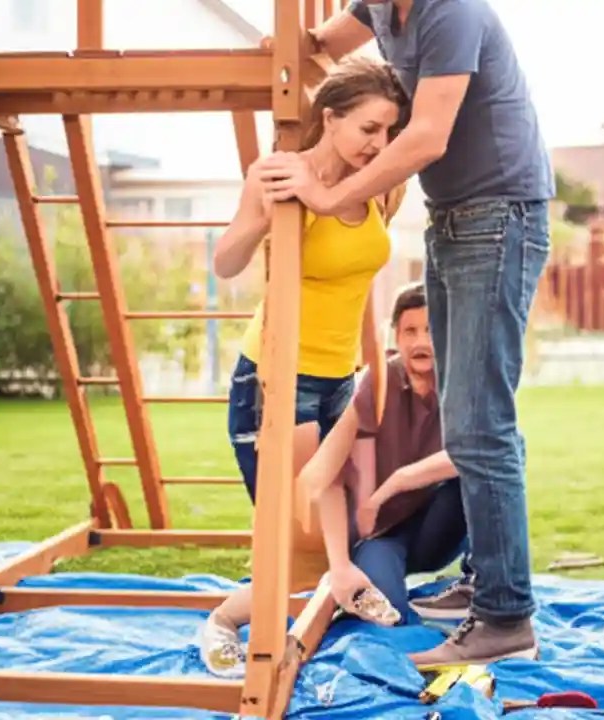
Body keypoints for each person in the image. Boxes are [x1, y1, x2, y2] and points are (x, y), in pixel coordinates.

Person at [258, 0, 555, 667]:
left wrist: (332, 197)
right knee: (464, 417)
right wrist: (276, 54)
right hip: (453, 218)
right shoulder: (378, 13)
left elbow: (425, 138)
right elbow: (317, 48)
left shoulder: (452, 13)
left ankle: (505, 618)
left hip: (498, 214)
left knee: (481, 424)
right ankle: (486, 580)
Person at [199, 57, 409, 672]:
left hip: (340, 380)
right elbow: (227, 262)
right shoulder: (277, 176)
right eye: (370, 128)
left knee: (330, 546)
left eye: (389, 131)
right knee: (293, 540)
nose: (381, 144)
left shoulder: (381, 183)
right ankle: (222, 624)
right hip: (275, 378)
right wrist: (264, 217)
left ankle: (295, 613)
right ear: (330, 116)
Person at [301, 282, 470, 625]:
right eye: (410, 331)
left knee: (480, 472)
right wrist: (340, 566)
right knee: (388, 615)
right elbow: (327, 480)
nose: (421, 341)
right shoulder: (376, 385)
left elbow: (487, 451)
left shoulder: (462, 382)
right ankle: (365, 572)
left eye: (431, 330)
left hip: (433, 526)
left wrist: (395, 482)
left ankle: (481, 580)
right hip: (378, 533)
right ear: (396, 336)